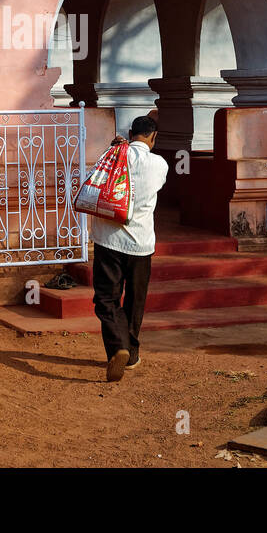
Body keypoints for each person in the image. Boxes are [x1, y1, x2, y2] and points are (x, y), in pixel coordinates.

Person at [90, 114, 168, 382]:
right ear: (153, 137)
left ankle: (117, 347)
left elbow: (96, 180)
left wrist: (115, 149)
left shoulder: (112, 155)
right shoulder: (160, 164)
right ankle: (131, 354)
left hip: (108, 239)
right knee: (135, 299)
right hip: (141, 243)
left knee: (107, 298)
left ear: (130, 133)